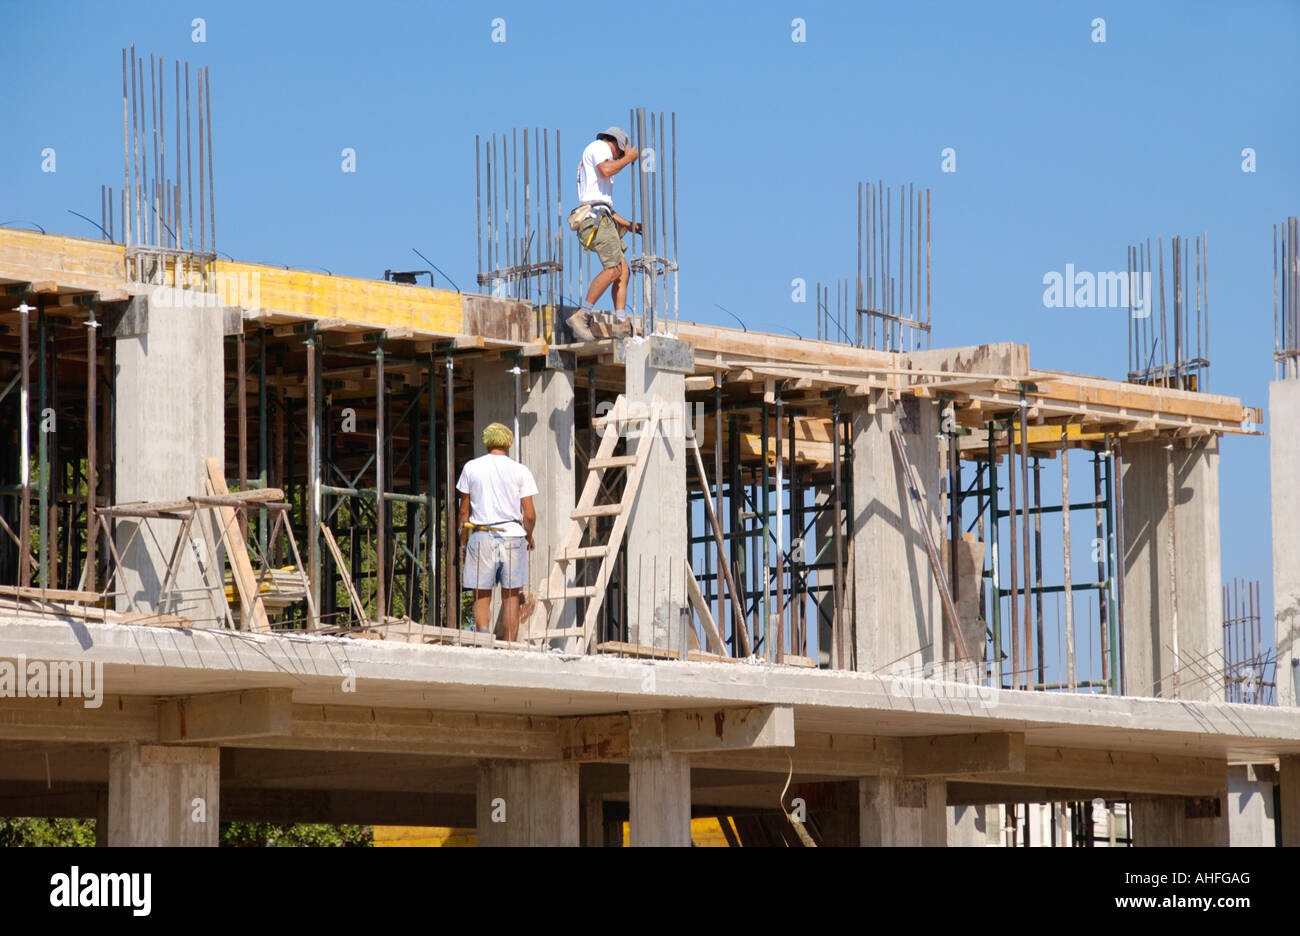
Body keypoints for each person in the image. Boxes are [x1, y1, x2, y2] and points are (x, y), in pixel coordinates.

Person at [456, 422, 538, 641]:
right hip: (513, 535)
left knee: (481, 593)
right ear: (508, 443)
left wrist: (463, 542)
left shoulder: (471, 468)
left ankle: (483, 641)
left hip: (482, 535)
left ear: (486, 441)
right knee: (511, 596)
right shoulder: (521, 470)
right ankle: (509, 646)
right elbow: (529, 515)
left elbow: (464, 512)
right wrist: (528, 536)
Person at [566, 126, 641, 341]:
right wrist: (629, 158)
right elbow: (606, 170)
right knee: (614, 268)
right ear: (616, 145)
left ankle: (620, 322)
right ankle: (582, 314)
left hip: (602, 216)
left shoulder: (601, 158)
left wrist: (629, 225)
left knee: (623, 269)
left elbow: (605, 205)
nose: (619, 157)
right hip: (595, 219)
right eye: (620, 152)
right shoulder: (599, 148)